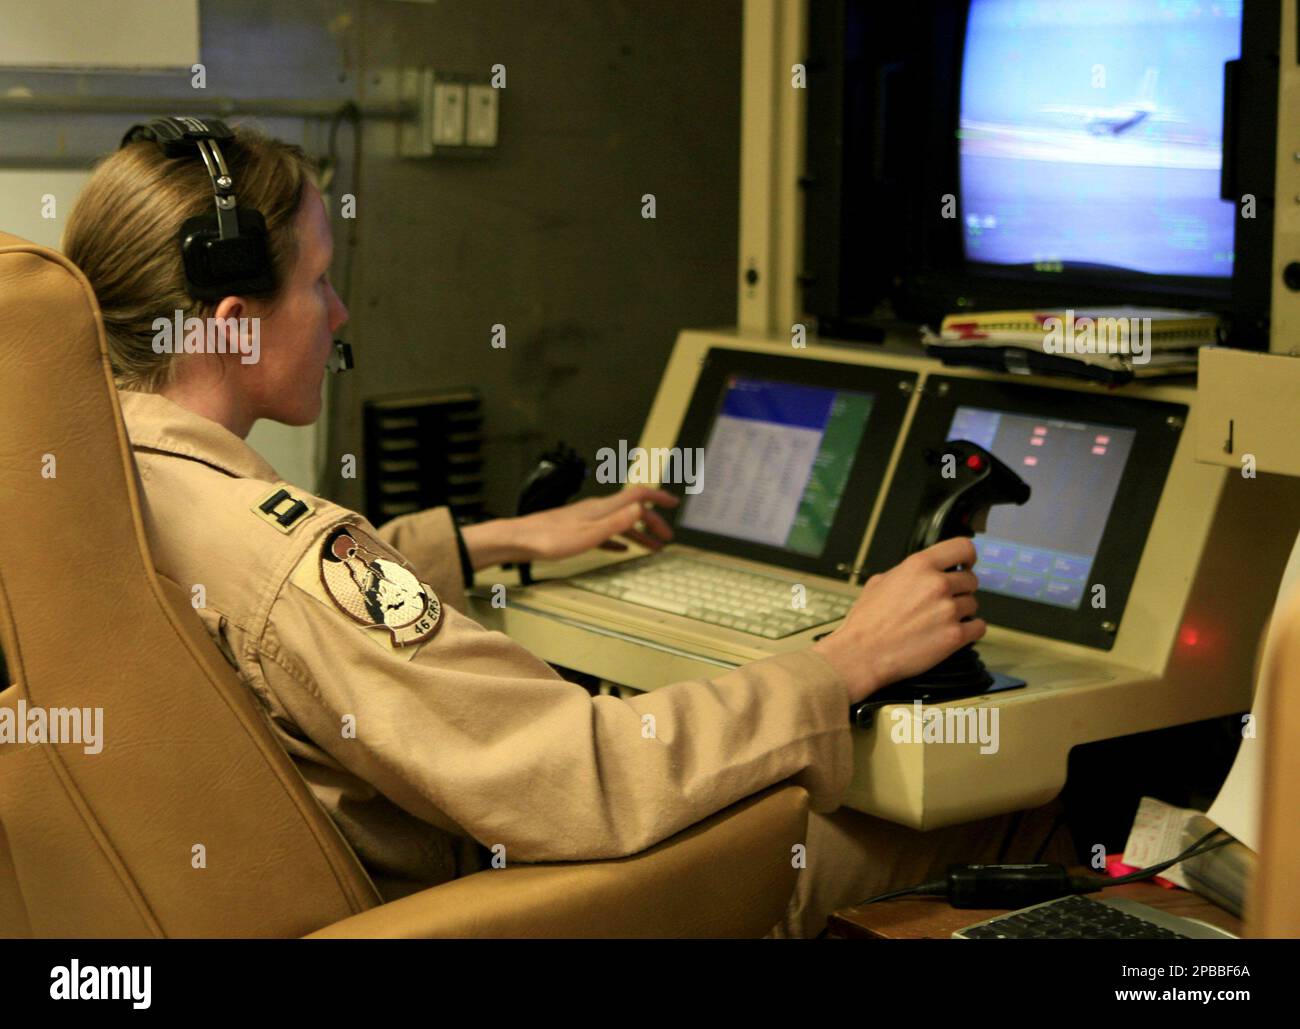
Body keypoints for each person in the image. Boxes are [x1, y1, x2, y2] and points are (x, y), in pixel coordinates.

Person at [62, 125, 1066, 937]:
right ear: (233, 322)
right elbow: (584, 773)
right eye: (319, 281)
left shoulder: (91, 480)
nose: (341, 310)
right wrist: (848, 658)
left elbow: (275, 608)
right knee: (1005, 816)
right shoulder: (286, 557)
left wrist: (497, 540)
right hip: (477, 902)